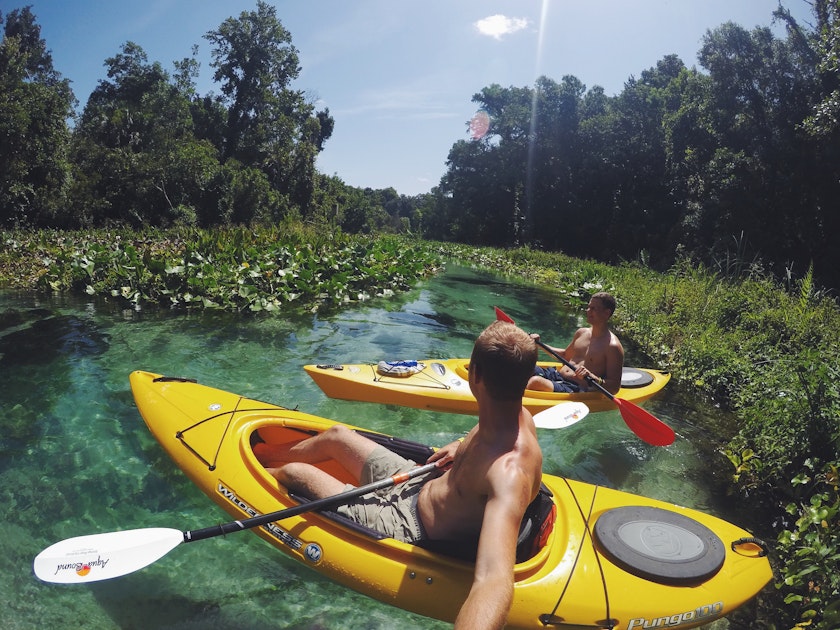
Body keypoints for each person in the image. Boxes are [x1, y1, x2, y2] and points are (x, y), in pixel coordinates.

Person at [254, 320, 542, 630]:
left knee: (296, 474)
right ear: (525, 380)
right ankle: (261, 454)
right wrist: (460, 446)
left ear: (475, 374)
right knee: (336, 435)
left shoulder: (508, 473)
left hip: (406, 524)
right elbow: (492, 446)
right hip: (417, 479)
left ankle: (257, 471)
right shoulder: (516, 414)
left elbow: (494, 580)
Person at [527, 292, 625, 395]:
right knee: (521, 367)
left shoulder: (612, 347)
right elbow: (565, 356)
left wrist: (593, 377)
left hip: (575, 387)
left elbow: (614, 388)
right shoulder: (581, 332)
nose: (588, 311)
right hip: (557, 375)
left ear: (606, 313)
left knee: (535, 382)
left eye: (593, 309)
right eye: (588, 307)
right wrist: (538, 344)